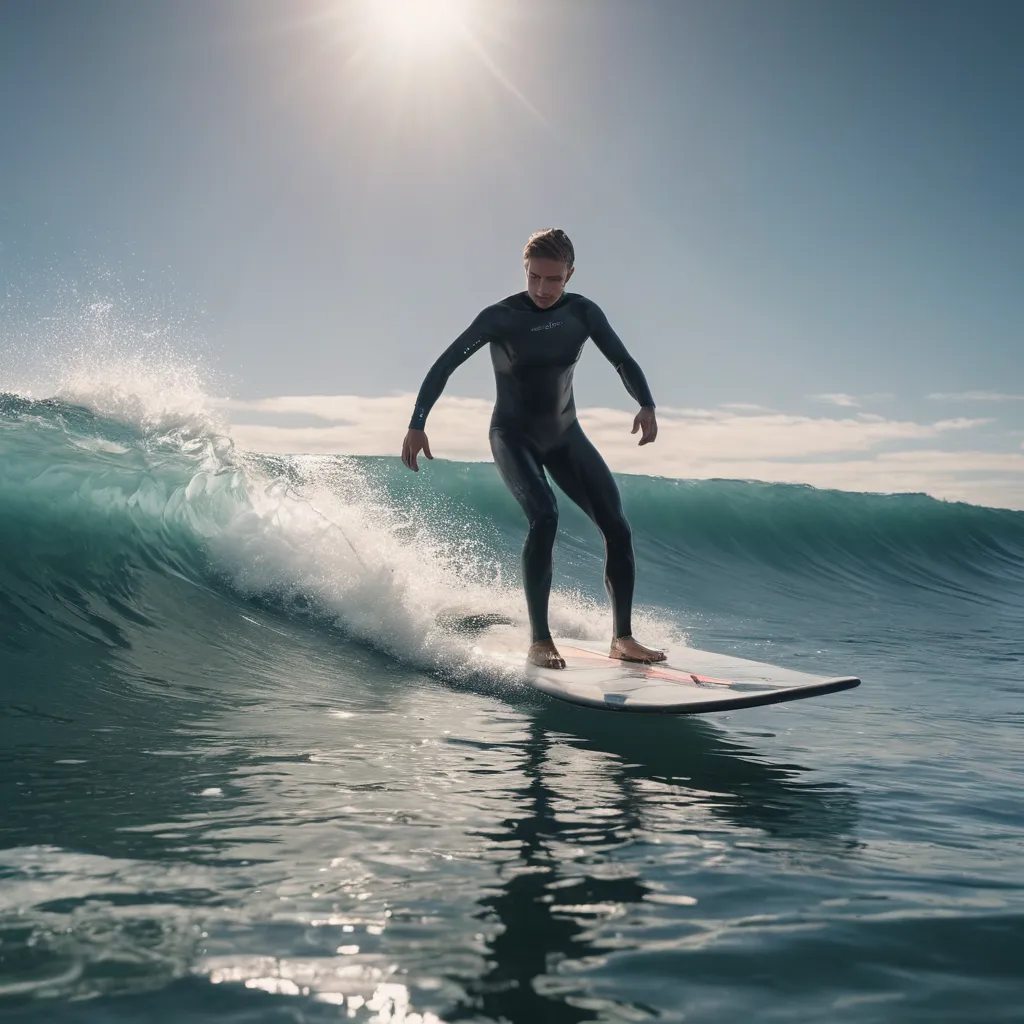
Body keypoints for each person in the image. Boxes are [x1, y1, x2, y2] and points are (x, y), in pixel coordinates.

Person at [401, 228, 666, 670]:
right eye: (534, 277)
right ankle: (540, 641)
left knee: (617, 528)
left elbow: (621, 359)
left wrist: (646, 403)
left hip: (565, 435)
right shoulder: (500, 317)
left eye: (553, 279)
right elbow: (445, 365)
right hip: (512, 435)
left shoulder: (583, 313)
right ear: (525, 270)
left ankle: (622, 639)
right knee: (544, 516)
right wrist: (417, 423)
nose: (542, 289)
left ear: (570, 274)